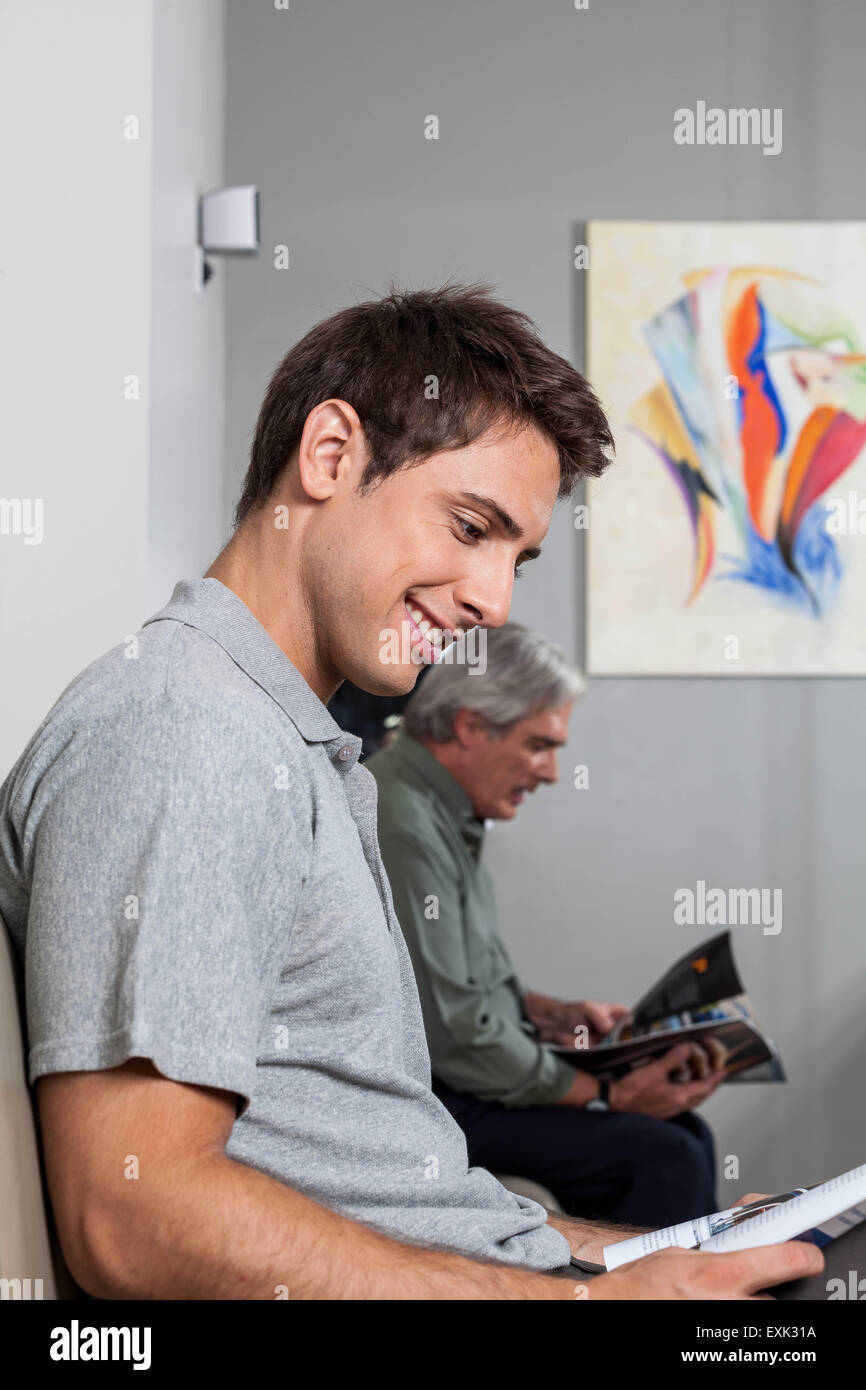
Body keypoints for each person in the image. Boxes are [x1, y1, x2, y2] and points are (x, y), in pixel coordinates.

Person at [0, 284, 820, 1299]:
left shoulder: (286, 743)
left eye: (515, 556)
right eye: (470, 527)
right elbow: (133, 1215)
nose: (493, 600)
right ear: (330, 456)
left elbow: (399, 1197)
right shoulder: (185, 732)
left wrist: (650, 1255)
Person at [366, 621, 724, 1227]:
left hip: (452, 1080)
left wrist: (548, 1015)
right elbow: (454, 1033)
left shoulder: (443, 810)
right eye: (540, 745)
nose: (552, 772)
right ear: (471, 726)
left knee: (685, 1132)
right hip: (427, 1101)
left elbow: (443, 983)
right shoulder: (403, 821)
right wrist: (607, 1095)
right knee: (667, 1155)